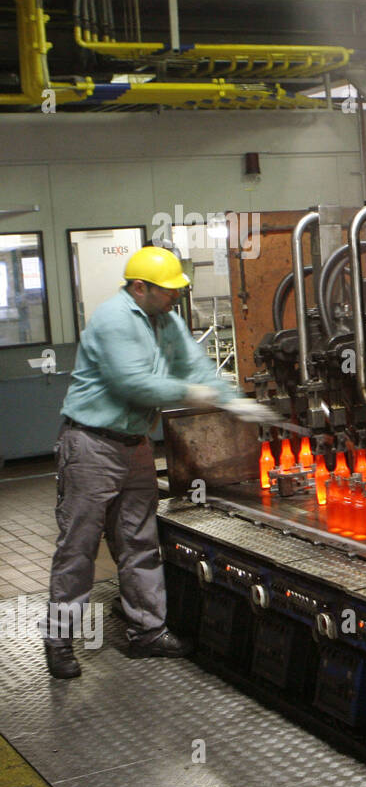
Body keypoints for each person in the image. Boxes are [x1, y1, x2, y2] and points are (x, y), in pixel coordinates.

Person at [44, 246, 276, 679]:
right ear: (139, 287)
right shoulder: (114, 319)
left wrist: (233, 400)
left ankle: (147, 632)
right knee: (78, 547)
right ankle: (59, 641)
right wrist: (191, 395)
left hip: (135, 447)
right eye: (168, 292)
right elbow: (134, 383)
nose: (175, 299)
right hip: (91, 445)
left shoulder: (164, 320)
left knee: (138, 540)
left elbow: (195, 365)